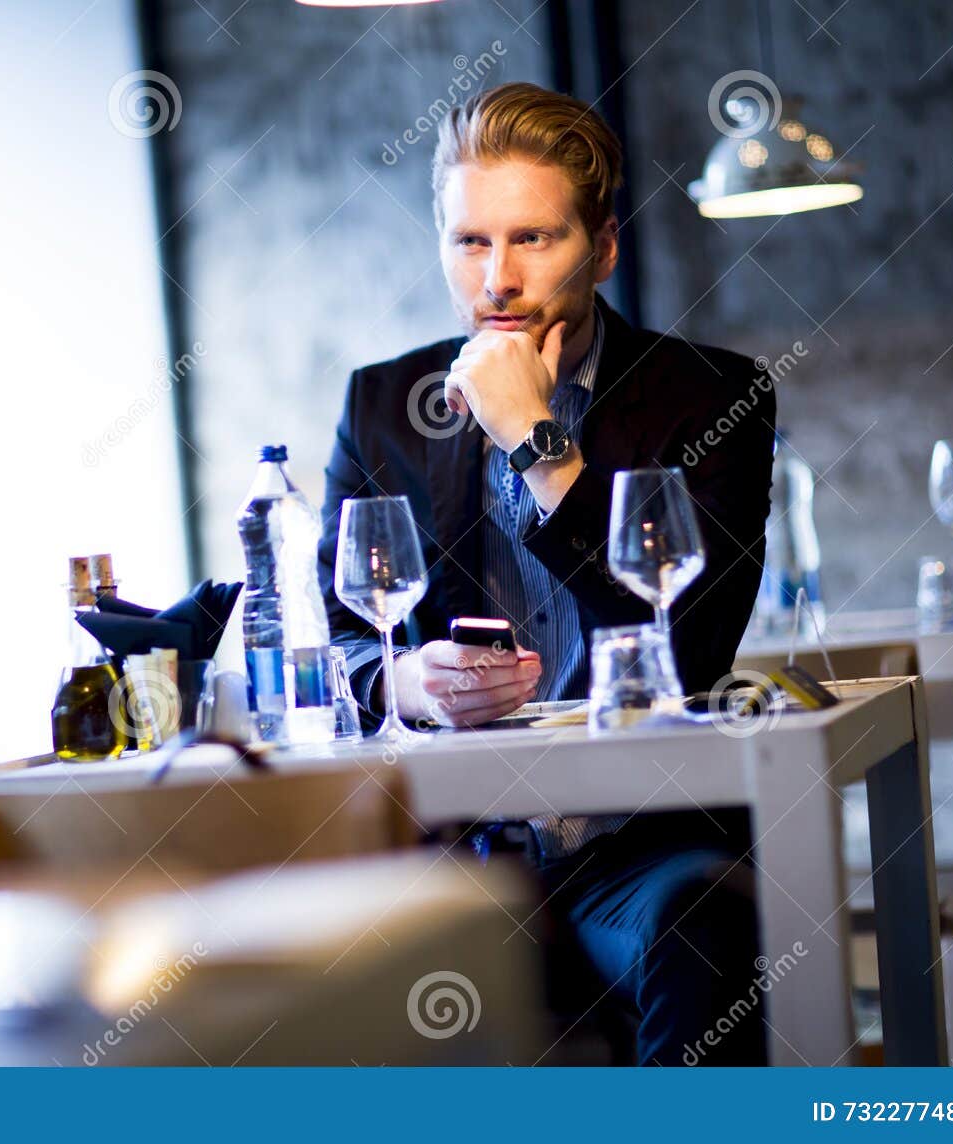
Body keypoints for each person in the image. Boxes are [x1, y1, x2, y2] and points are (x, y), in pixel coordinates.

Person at [318, 82, 775, 1065]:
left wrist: (537, 441)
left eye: (532, 239)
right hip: (458, 854)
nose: (497, 280)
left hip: (640, 847)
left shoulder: (712, 396)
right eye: (470, 242)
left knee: (705, 925)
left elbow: (686, 646)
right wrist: (407, 682)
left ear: (601, 247)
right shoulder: (384, 405)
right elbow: (340, 642)